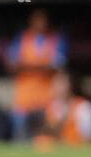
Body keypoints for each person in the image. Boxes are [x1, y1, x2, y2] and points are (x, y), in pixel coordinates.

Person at [4, 10, 67, 140]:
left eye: (43, 20)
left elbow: (58, 66)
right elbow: (11, 65)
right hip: (24, 99)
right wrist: (41, 65)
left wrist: (28, 65)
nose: (41, 24)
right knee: (21, 138)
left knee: (47, 139)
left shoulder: (56, 39)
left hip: (48, 99)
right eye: (37, 20)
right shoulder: (22, 38)